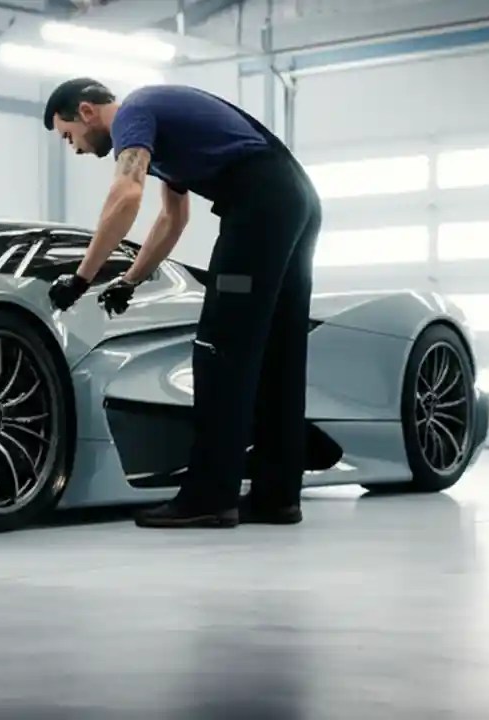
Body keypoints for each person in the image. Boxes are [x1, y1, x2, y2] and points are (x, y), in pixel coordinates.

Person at [42, 78, 322, 529]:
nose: (73, 148)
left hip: (261, 203)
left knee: (219, 351)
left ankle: (209, 497)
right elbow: (173, 219)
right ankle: (277, 497)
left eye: (67, 134)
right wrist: (129, 282)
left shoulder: (133, 113)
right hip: (295, 198)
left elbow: (125, 195)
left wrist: (81, 278)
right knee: (278, 355)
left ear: (87, 112)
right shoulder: (160, 128)